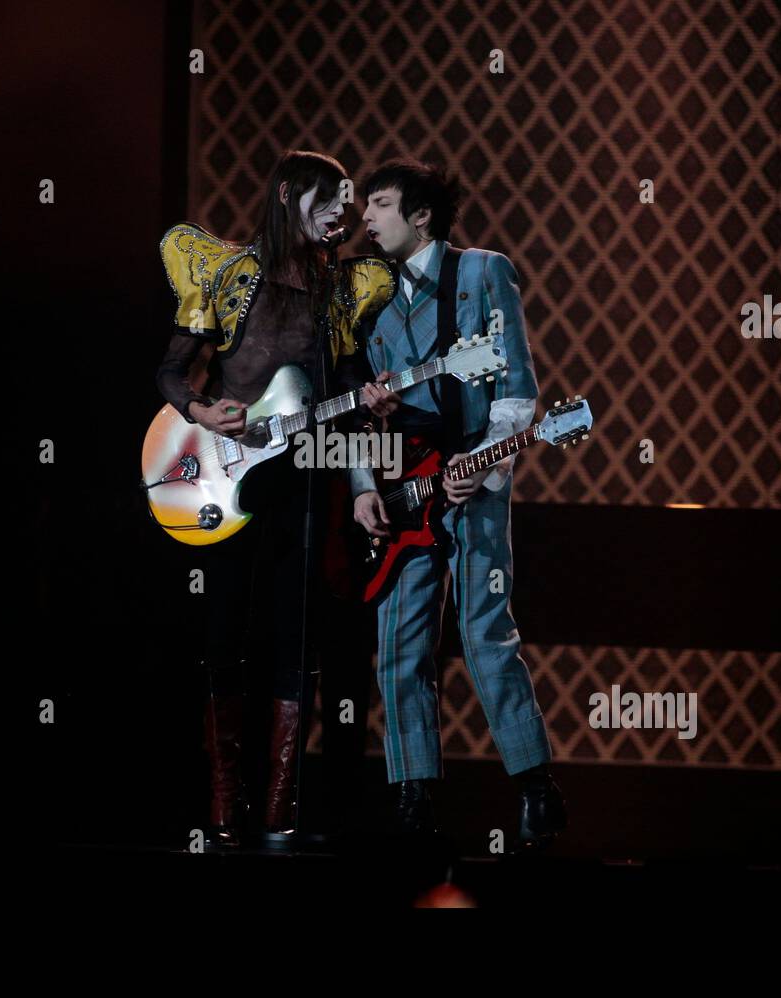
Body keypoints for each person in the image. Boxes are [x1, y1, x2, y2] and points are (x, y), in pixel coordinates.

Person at [155, 150, 397, 847]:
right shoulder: (229, 275)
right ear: (290, 194)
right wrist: (202, 411)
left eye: (353, 205)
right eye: (335, 199)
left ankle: (281, 809)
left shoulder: (340, 290)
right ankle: (226, 795)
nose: (345, 214)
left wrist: (364, 462)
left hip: (304, 477)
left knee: (299, 633)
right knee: (225, 627)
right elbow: (170, 370)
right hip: (222, 476)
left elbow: (348, 402)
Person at [351, 158, 568, 849]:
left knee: (484, 635)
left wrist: (485, 465)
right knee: (399, 644)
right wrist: (364, 488)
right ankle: (416, 801)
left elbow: (516, 391)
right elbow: (358, 417)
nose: (365, 218)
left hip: (473, 470)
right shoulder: (369, 296)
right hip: (406, 485)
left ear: (420, 215)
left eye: (378, 204)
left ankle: (536, 789)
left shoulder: (482, 273)